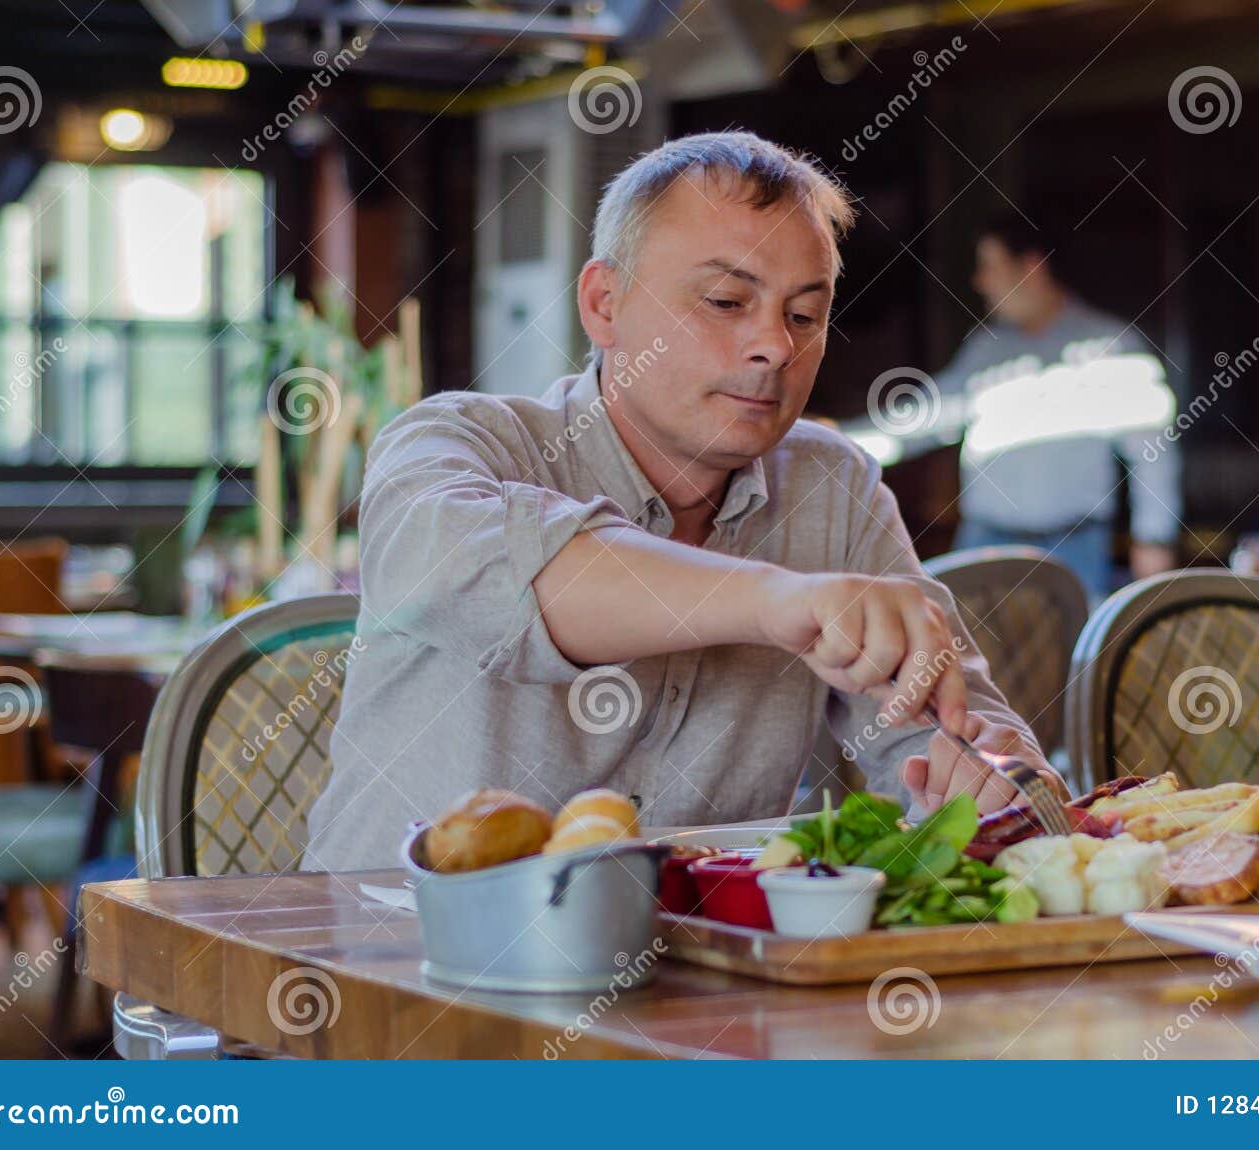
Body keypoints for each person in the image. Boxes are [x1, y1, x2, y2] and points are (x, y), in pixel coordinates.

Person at [305, 132, 1058, 871]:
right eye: (727, 300)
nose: (776, 347)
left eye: (804, 315)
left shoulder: (833, 488)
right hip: (382, 959)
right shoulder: (454, 443)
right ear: (604, 303)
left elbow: (944, 741)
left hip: (690, 978)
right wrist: (776, 599)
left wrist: (992, 778)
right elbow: (490, 578)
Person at [934, 216, 1182, 597]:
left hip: (1073, 548)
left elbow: (1152, 453)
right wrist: (842, 434)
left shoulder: (1109, 345)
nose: (980, 281)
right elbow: (925, 417)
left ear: (1031, 268)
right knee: (966, 655)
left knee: (1070, 656)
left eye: (989, 267)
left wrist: (1155, 539)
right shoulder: (984, 349)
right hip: (984, 543)